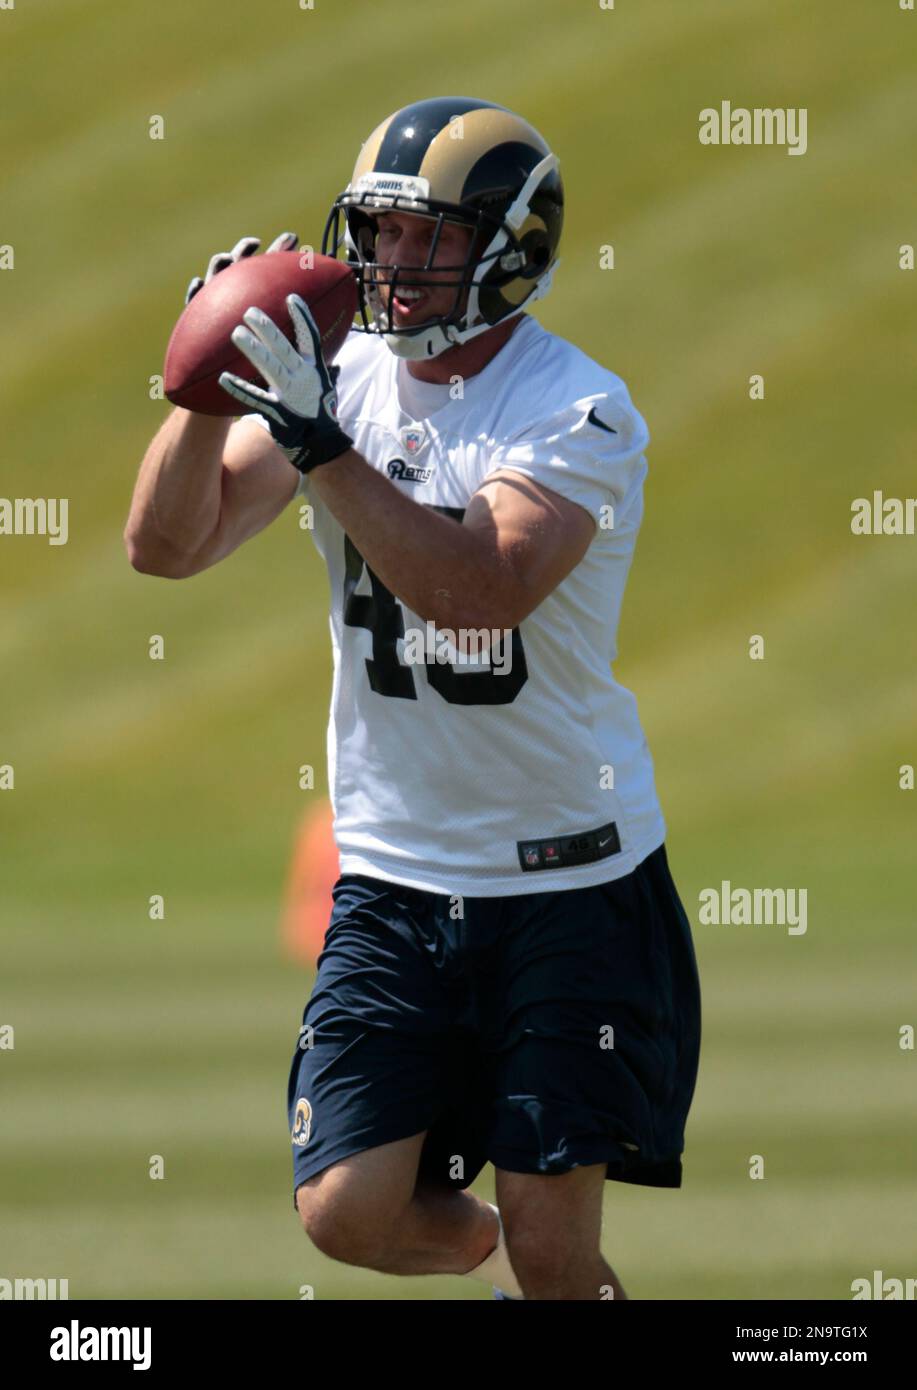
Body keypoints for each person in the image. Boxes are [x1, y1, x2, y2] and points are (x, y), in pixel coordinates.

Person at [124, 95, 702, 1301]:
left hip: (568, 879)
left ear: (509, 245)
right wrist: (204, 388)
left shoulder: (575, 407)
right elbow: (166, 547)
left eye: (426, 236)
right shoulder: (335, 372)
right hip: (394, 872)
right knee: (345, 1211)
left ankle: (545, 1267)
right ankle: (505, 1257)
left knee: (561, 1252)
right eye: (382, 232)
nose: (392, 262)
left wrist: (318, 443)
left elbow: (480, 591)